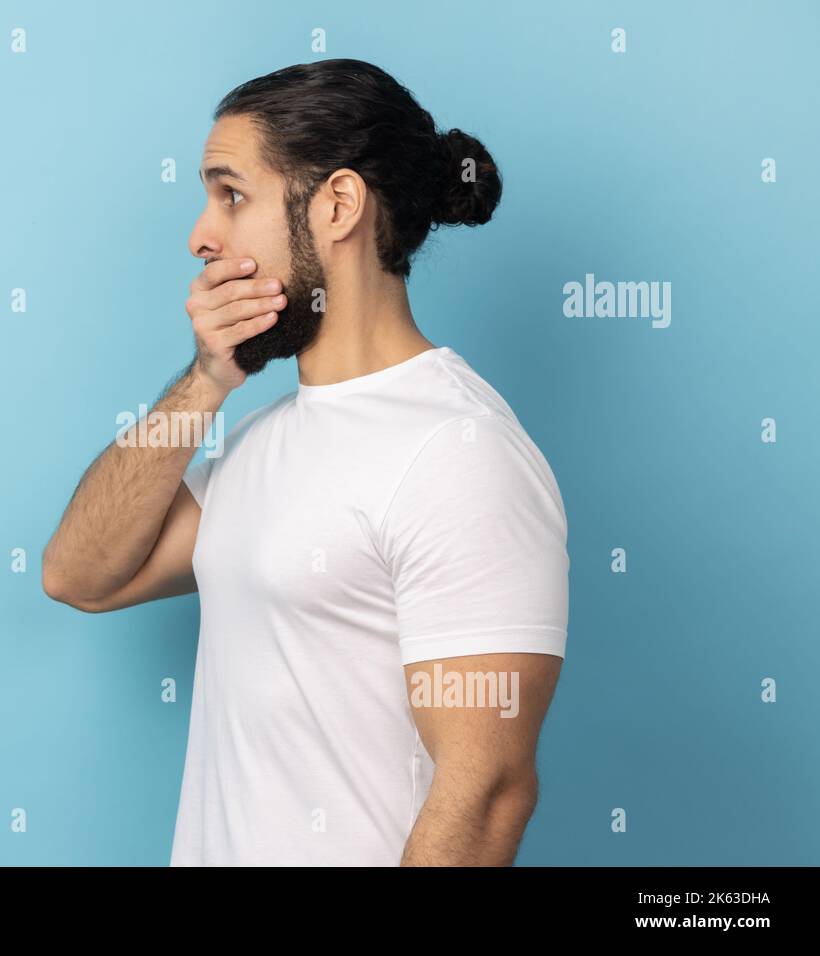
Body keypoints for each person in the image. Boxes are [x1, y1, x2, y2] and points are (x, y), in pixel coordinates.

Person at [42, 59, 570, 866]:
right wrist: (206, 380)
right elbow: (80, 576)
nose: (201, 234)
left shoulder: (460, 453)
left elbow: (488, 793)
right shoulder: (260, 439)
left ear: (338, 205)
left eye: (232, 193)